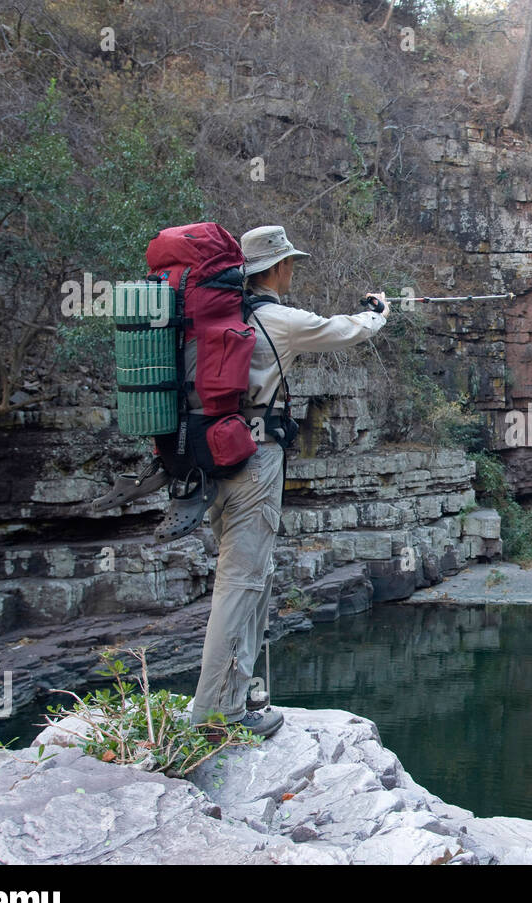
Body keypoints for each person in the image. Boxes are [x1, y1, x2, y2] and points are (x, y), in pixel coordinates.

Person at [189, 225, 388, 739]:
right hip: (255, 459)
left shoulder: (214, 316)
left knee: (247, 576)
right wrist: (378, 312)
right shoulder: (276, 318)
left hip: (211, 456)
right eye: (289, 263)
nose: (293, 270)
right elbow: (345, 331)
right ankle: (217, 715)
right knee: (243, 582)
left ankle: (236, 697)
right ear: (274, 269)